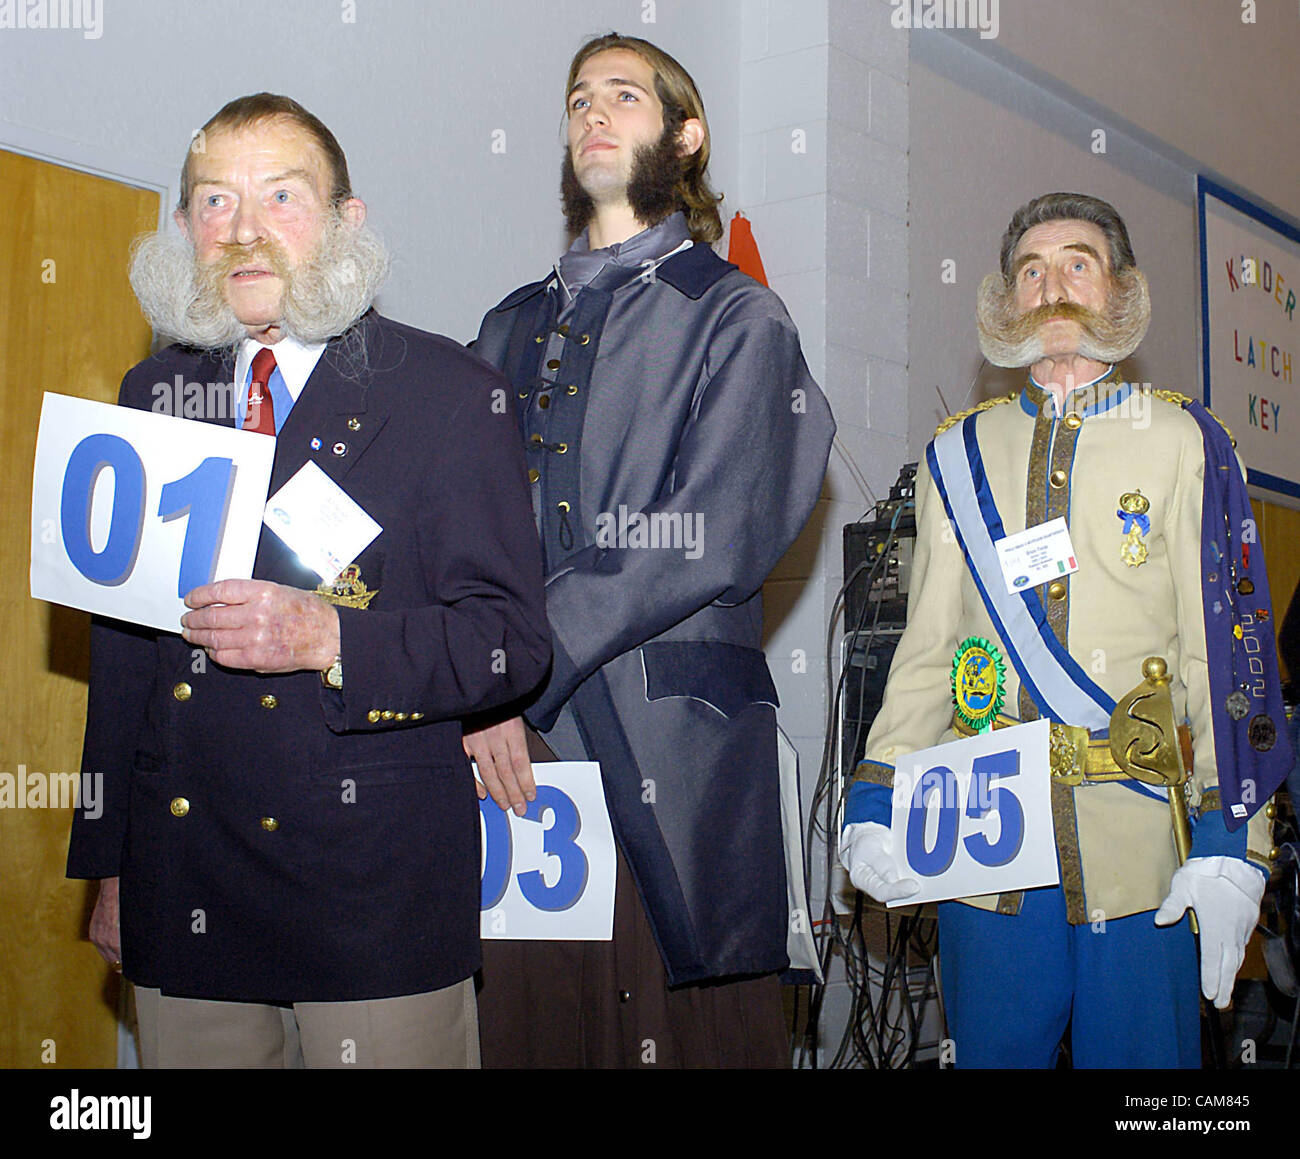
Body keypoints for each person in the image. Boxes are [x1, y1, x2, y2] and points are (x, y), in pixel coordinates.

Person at [66, 93, 550, 1068]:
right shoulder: (152, 394)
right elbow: (119, 663)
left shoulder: (449, 393)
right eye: (214, 201)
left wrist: (331, 640)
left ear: (344, 221)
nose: (243, 230)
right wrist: (111, 866)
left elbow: (509, 638)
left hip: (371, 902)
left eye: (279, 196)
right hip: (187, 879)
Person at [840, 192, 1291, 1068]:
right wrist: (874, 797)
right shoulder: (955, 455)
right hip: (987, 851)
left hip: (1142, 853)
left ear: (1120, 289)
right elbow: (926, 652)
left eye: (1077, 263)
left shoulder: (1185, 440)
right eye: (1031, 271)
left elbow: (1223, 657)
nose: (1053, 287)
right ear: (1005, 302)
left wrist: (1237, 841)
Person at [466, 33, 835, 1068]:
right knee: (523, 1033)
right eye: (580, 96)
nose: (593, 111)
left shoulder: (740, 315)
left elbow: (710, 533)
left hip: (674, 753)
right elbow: (454, 529)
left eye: (624, 95)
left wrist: (506, 661)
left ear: (686, 135)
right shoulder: (502, 327)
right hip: (509, 751)